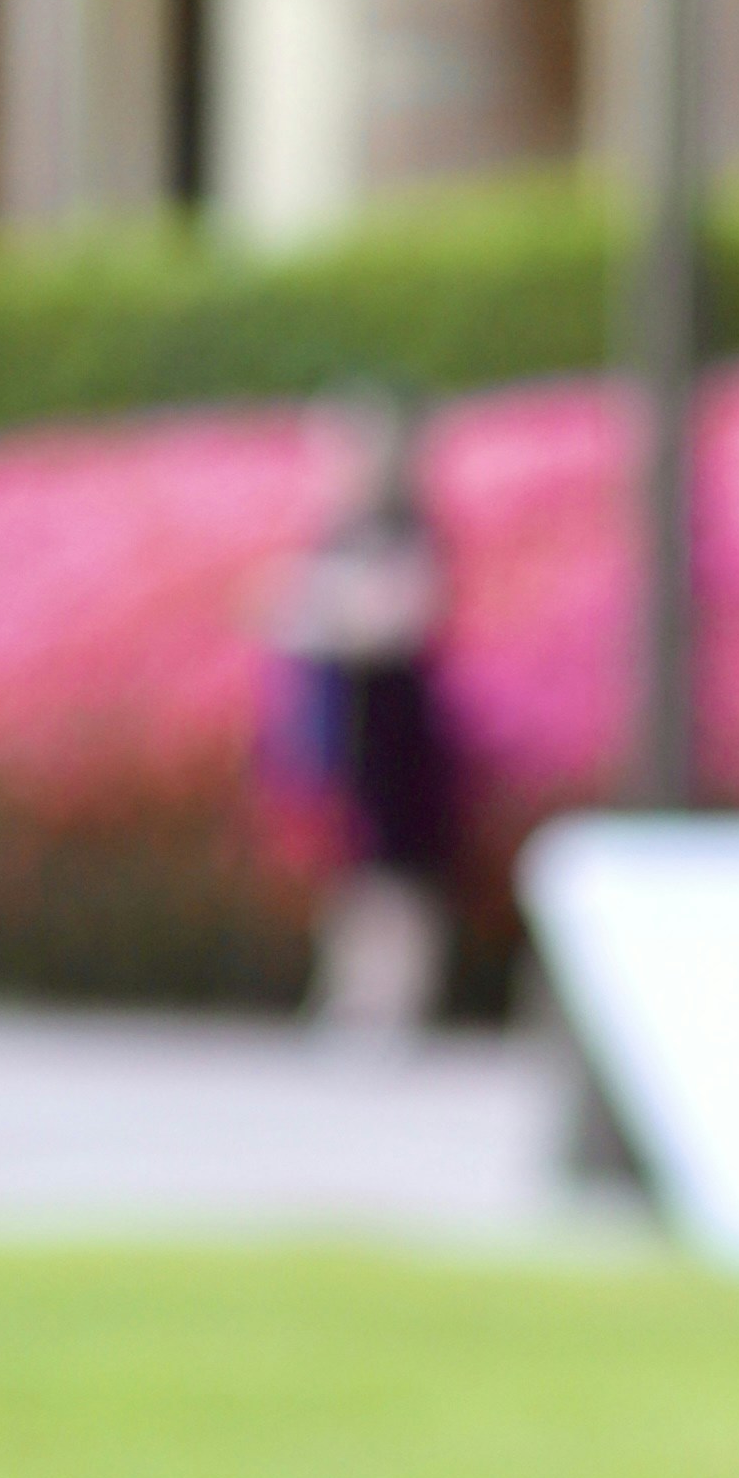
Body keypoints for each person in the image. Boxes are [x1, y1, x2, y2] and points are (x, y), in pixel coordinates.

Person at [269, 385, 463, 1040]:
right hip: (348, 718)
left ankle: (397, 1004)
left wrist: (329, 610)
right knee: (354, 868)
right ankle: (352, 999)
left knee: (400, 868)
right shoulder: (339, 530)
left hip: (395, 719)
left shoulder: (407, 523)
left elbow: (405, 614)